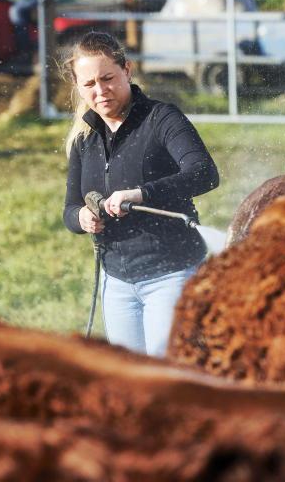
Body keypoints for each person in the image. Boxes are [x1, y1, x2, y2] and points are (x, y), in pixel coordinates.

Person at [62, 32, 219, 357]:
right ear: (78, 86)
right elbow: (70, 210)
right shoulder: (83, 139)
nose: (100, 91)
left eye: (108, 78)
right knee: (129, 381)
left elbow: (204, 173)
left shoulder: (162, 118)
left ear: (127, 71)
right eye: (89, 84)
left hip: (172, 274)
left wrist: (141, 194)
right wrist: (82, 218)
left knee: (166, 376)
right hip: (115, 281)